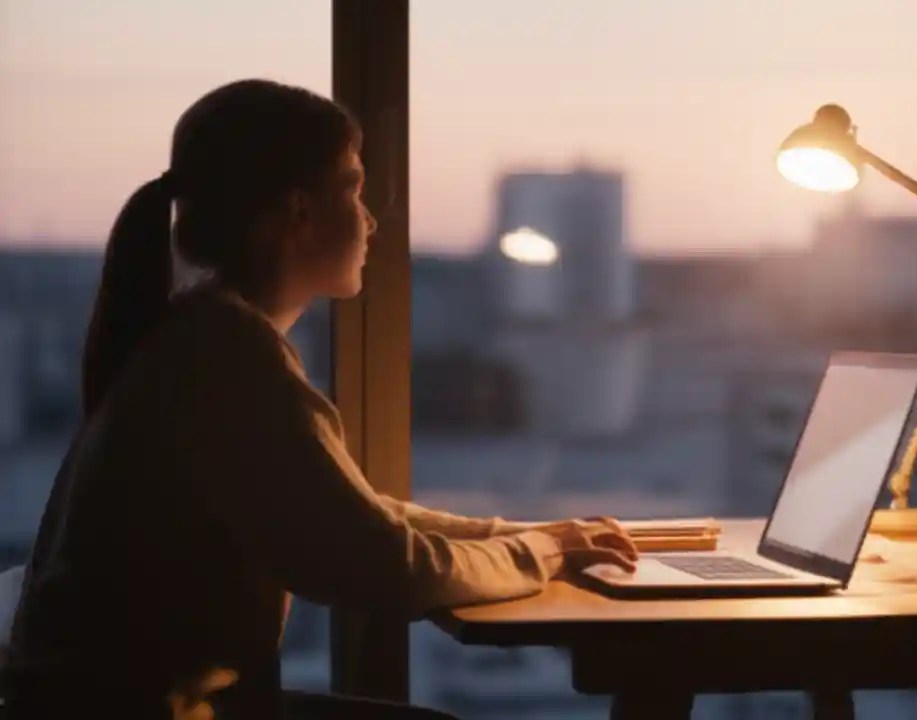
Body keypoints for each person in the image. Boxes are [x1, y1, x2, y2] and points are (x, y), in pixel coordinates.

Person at [2, 79, 638, 720]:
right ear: (297, 211)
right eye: (354, 189)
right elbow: (388, 567)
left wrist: (522, 535)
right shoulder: (228, 358)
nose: (371, 220)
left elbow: (349, 515)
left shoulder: (203, 335)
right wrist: (543, 554)